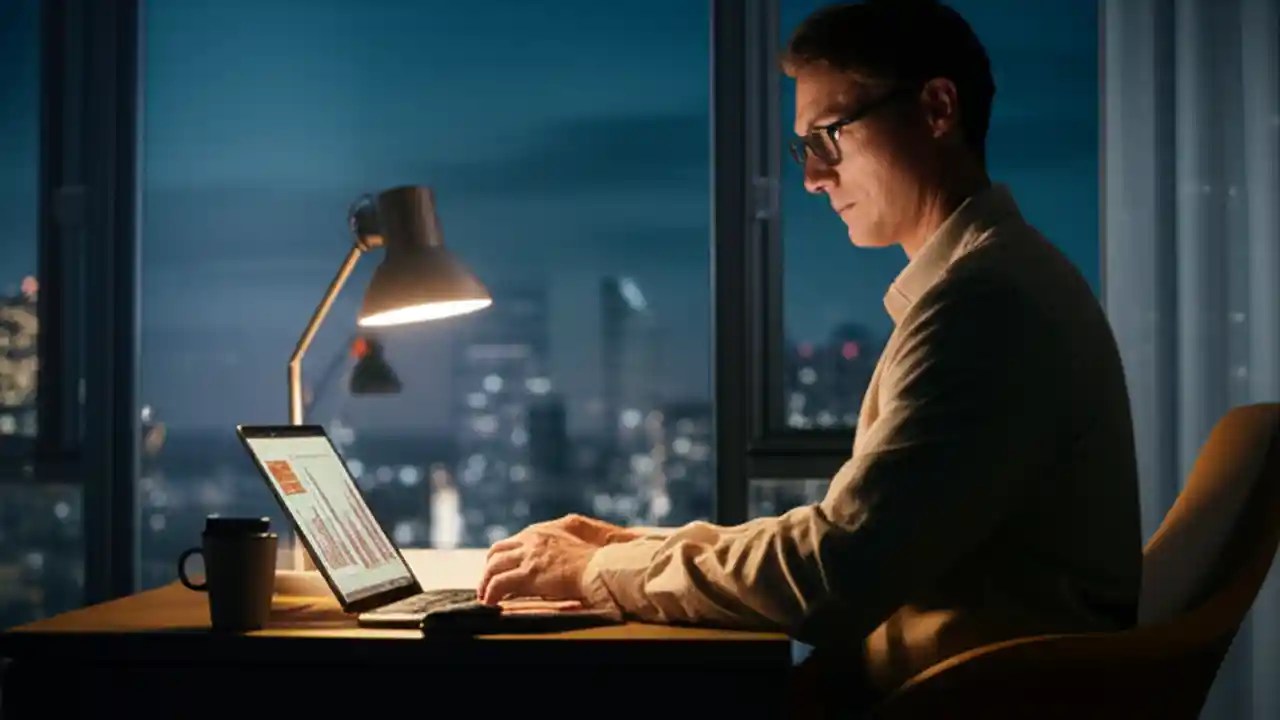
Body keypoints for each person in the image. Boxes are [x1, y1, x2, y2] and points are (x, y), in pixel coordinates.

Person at [478, 0, 1142, 709]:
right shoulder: (994, 281)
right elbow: (850, 537)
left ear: (937, 108)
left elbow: (832, 572)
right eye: (805, 148)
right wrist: (632, 547)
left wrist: (600, 572)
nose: (813, 178)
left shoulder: (986, 307)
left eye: (829, 136)